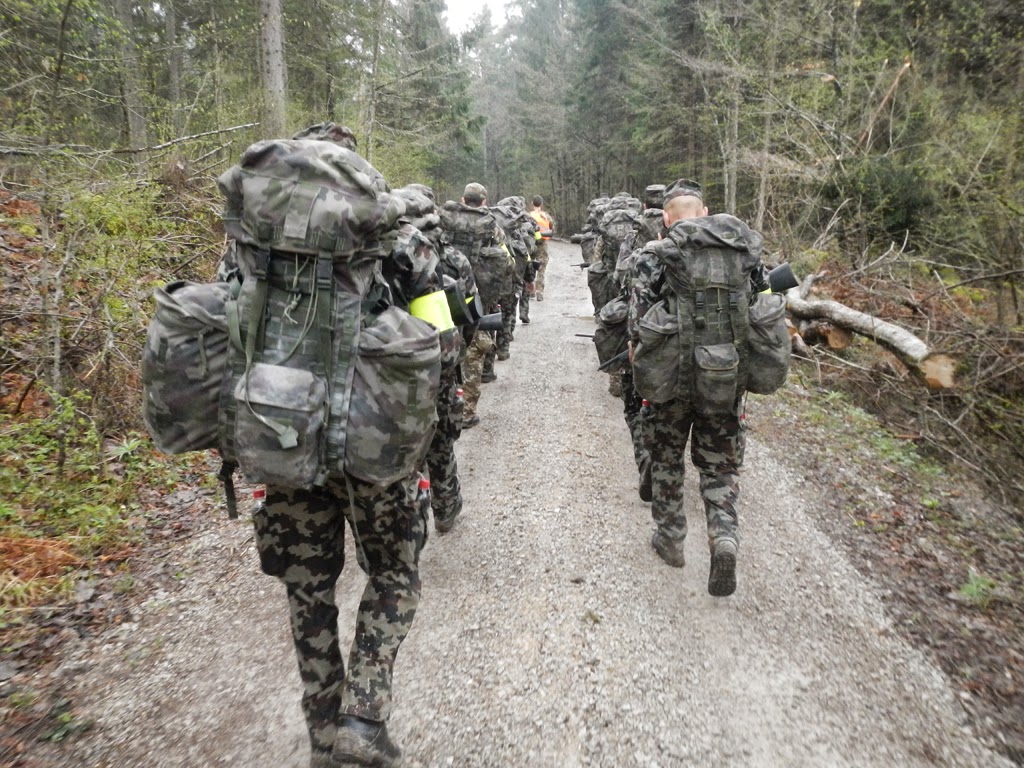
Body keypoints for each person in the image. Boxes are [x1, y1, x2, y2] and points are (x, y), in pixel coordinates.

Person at [225, 123, 433, 768]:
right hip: (372, 444)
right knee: (394, 574)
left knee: (308, 592)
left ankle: (322, 738)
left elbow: (234, 328)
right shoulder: (399, 239)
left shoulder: (246, 244)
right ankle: (364, 718)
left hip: (280, 429)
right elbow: (437, 336)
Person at [628, 178, 770, 598]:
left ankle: (670, 539)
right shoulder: (744, 252)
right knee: (720, 466)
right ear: (705, 213)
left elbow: (637, 324)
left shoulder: (653, 255)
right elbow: (764, 306)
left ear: (666, 220)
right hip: (727, 377)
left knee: (668, 457)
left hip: (671, 381)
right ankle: (723, 536)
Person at [439, 182, 514, 424]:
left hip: (442, 292)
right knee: (473, 350)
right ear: (483, 202)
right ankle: (467, 412)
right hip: (476, 295)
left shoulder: (442, 219)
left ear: (462, 199)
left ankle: (443, 408)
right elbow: (508, 262)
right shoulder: (491, 225)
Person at [528, 195, 555, 301]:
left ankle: (530, 290)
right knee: (541, 268)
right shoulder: (546, 216)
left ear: (532, 203)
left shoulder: (528, 216)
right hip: (542, 244)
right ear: (541, 204)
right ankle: (539, 291)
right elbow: (553, 230)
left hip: (530, 244)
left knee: (529, 266)